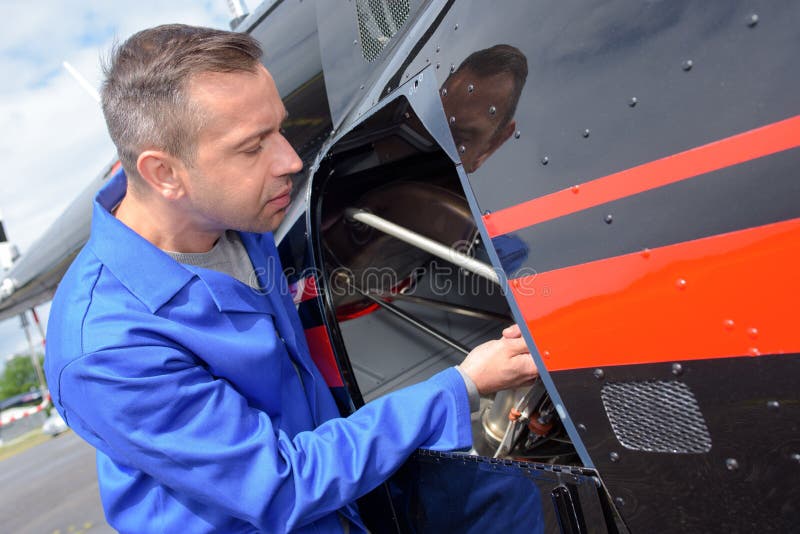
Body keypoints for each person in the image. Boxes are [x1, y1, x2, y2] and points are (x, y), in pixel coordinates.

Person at [44, 25, 538, 533]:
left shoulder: (238, 219)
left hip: (341, 487)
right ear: (164, 174)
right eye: (253, 147)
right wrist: (461, 386)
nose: (292, 161)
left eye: (279, 128)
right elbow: (282, 484)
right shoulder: (106, 349)